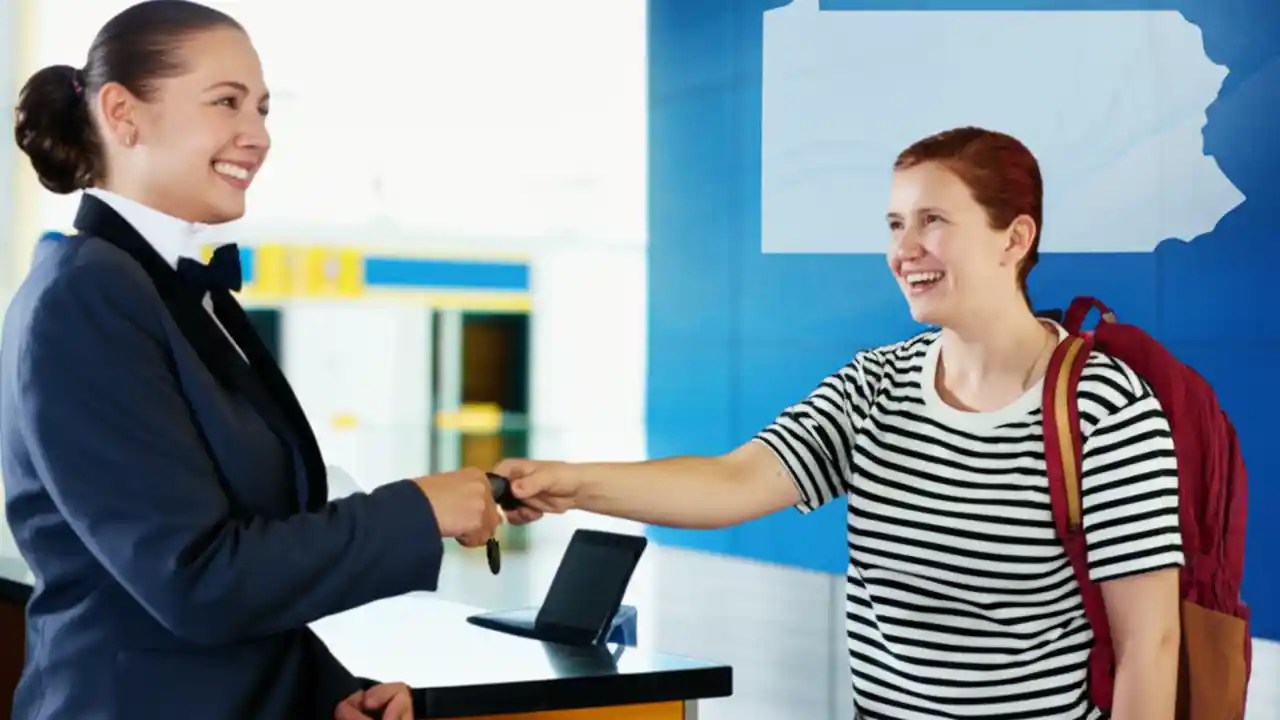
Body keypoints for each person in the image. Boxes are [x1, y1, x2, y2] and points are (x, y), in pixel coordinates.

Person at [497, 127, 1184, 718]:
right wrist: (569, 482)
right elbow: (735, 481)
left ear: (1015, 238)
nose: (903, 249)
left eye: (933, 221)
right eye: (895, 224)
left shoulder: (1105, 409)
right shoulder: (875, 385)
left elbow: (1150, 647)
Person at [1, 2, 502, 719]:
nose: (259, 135)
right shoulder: (86, 297)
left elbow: (237, 568)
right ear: (123, 113)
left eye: (264, 109)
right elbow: (196, 580)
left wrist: (330, 694)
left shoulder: (169, 289)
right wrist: (418, 512)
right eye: (226, 103)